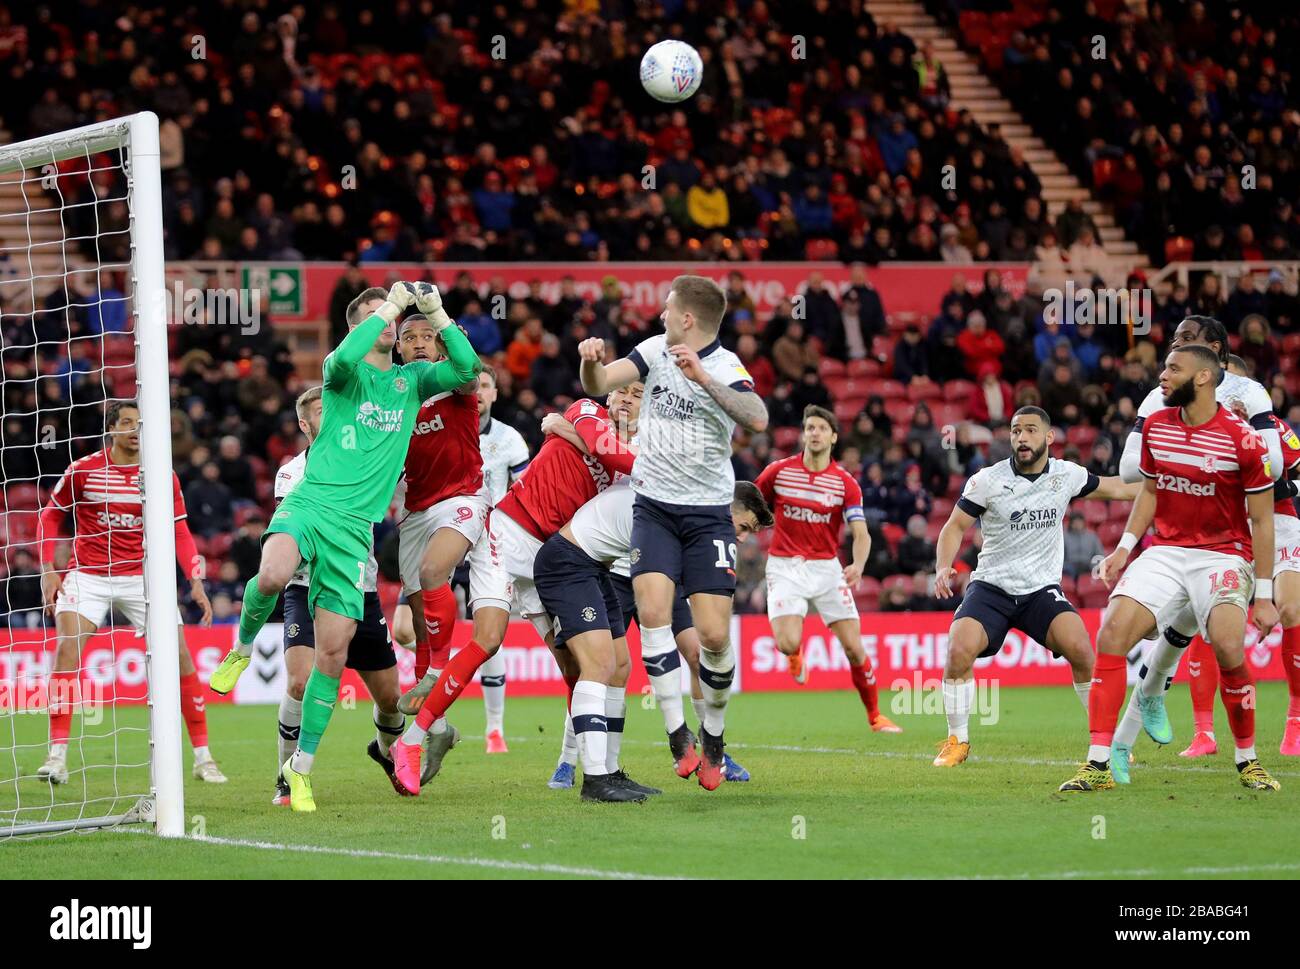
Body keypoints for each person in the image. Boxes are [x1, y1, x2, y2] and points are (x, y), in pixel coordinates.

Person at [206, 281, 480, 812]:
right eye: (379, 316)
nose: (393, 323)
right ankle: (240, 649)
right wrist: (393, 305)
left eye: (394, 316)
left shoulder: (412, 380)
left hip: (356, 532)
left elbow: (468, 372)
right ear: (360, 326)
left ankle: (301, 770)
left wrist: (437, 311)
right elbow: (349, 351)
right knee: (271, 574)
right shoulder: (342, 373)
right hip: (312, 505)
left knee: (331, 656)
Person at [388, 378, 639, 795]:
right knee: (487, 640)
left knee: (577, 667)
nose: (627, 400)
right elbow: (609, 450)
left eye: (638, 395)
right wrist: (570, 429)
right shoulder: (588, 412)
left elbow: (618, 460)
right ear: (608, 395)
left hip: (553, 557)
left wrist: (563, 430)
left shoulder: (624, 458)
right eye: (621, 392)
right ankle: (410, 742)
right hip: (507, 532)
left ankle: (579, 765)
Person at [575, 275, 769, 790]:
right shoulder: (653, 350)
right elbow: (597, 385)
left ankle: (715, 739)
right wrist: (591, 360)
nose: (660, 315)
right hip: (655, 507)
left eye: (667, 309)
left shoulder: (727, 367)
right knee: (655, 612)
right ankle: (678, 735)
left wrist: (704, 378)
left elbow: (758, 418)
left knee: (711, 637)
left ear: (688, 317)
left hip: (706, 515)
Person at [1060, 345, 1280, 792]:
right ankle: (1097, 765)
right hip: (1166, 551)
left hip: (1223, 553)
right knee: (1111, 634)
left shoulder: (1245, 439)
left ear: (1202, 378)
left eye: (1173, 368)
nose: (1162, 375)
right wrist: (1124, 548)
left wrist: (1264, 593)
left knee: (1227, 646)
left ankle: (1248, 760)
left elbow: (1261, 519)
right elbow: (1151, 493)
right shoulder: (1158, 426)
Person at [932, 406, 1137, 767]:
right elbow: (953, 526)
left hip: (1040, 589)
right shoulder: (987, 480)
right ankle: (957, 740)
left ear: (1048, 437)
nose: (1021, 438)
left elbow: (1117, 488)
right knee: (958, 650)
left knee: (1082, 651)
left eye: (1029, 430)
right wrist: (943, 565)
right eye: (1015, 431)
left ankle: (1106, 743)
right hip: (992, 588)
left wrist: (1166, 484)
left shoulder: (1065, 475)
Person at [37, 401, 223, 785]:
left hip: (142, 578)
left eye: (140, 424)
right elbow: (50, 516)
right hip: (87, 575)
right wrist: (48, 570)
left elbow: (180, 531)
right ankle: (56, 757)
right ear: (111, 429)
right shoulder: (83, 471)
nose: (135, 430)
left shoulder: (159, 474)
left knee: (181, 658)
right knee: (67, 649)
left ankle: (204, 758)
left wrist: (195, 579)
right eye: (126, 423)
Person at [271, 386, 418, 806]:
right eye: (321, 411)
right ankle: (287, 774)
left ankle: (385, 750)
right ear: (305, 424)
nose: (332, 413)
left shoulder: (366, 459)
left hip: (362, 591)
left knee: (391, 700)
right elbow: (295, 537)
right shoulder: (292, 474)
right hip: (307, 590)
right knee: (300, 682)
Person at [755, 406, 901, 732]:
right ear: (804, 433)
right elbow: (753, 500)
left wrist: (859, 565)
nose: (815, 433)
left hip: (826, 569)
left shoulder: (845, 484)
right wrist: (744, 522)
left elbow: (861, 533)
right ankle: (795, 654)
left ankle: (875, 716)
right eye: (810, 427)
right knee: (786, 642)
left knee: (854, 647)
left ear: (833, 437)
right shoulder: (779, 471)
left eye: (822, 428)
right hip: (785, 566)